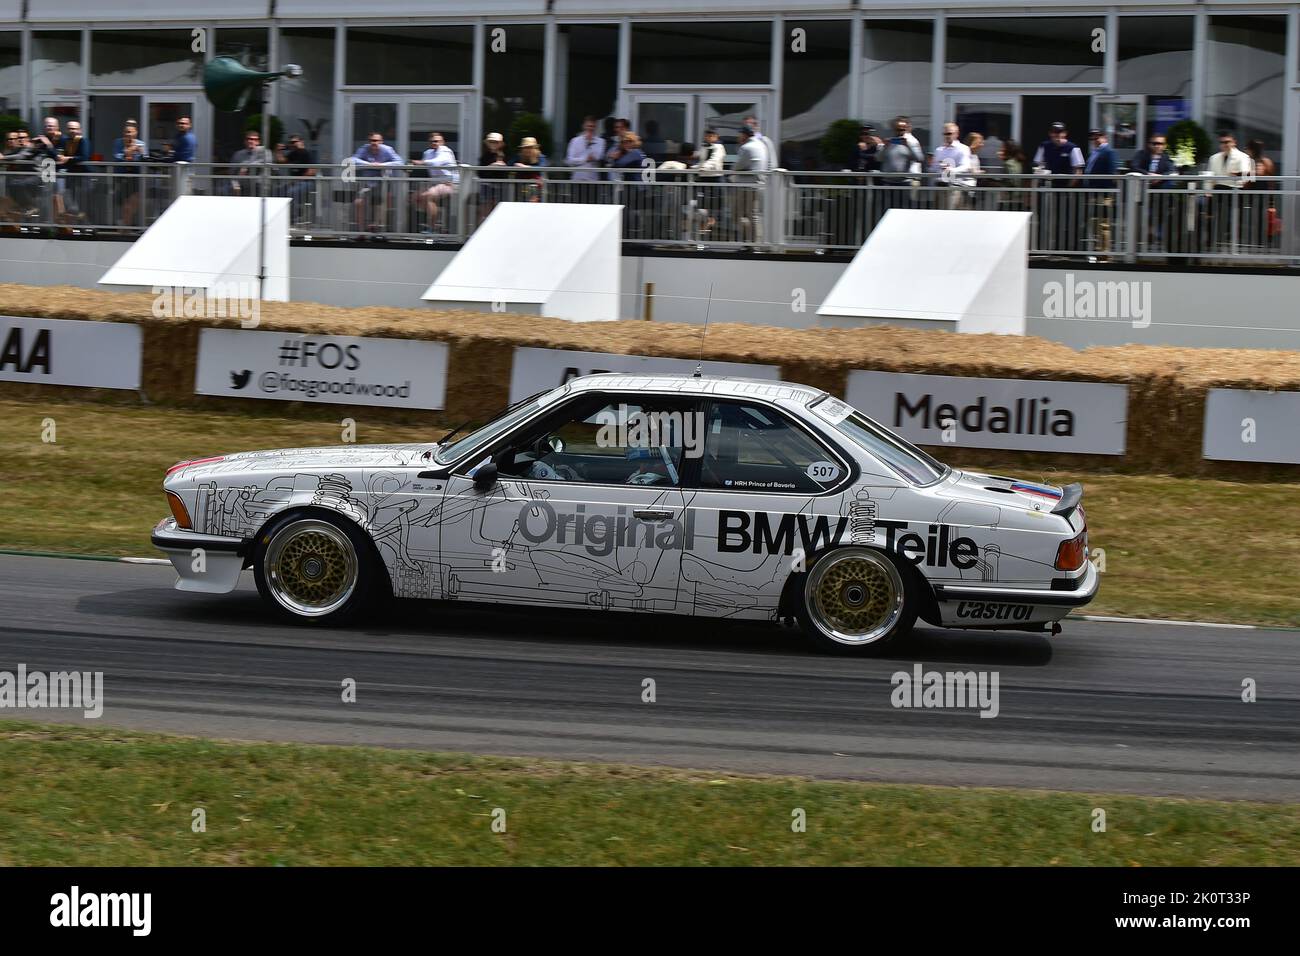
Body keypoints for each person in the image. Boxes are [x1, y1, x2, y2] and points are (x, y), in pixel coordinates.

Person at [350, 132, 403, 233]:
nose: (374, 143)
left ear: (381, 141)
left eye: (376, 141)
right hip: (367, 182)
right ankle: (361, 231)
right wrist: (369, 164)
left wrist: (383, 165)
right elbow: (353, 159)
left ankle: (377, 227)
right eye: (371, 141)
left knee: (380, 203)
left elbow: (399, 161)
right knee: (359, 203)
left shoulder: (387, 149)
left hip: (382, 182)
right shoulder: (364, 148)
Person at [732, 126, 769, 244]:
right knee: (753, 214)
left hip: (745, 185)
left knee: (739, 214)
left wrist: (732, 171)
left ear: (744, 135)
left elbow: (737, 166)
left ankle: (748, 243)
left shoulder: (746, 147)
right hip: (758, 184)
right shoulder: (761, 145)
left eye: (740, 134)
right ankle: (754, 243)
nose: (738, 136)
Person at [418, 131, 458, 232]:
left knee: (428, 196)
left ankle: (432, 227)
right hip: (435, 183)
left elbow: (437, 162)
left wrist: (422, 162)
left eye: (437, 141)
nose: (435, 143)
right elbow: (423, 165)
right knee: (414, 197)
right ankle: (436, 217)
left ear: (442, 142)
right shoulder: (427, 153)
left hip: (449, 183)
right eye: (432, 141)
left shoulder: (445, 151)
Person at [929, 122, 973, 208]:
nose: (947, 136)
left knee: (951, 216)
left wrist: (952, 170)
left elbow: (966, 166)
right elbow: (933, 168)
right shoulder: (939, 150)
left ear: (956, 134)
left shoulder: (963, 148)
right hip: (939, 185)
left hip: (954, 186)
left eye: (949, 133)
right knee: (938, 216)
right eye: (944, 134)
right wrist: (932, 165)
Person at [112, 119, 146, 227]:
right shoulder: (118, 142)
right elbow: (117, 157)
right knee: (125, 204)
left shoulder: (141, 144)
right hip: (122, 176)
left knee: (134, 204)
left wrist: (140, 154)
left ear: (136, 132)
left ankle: (124, 224)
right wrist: (129, 152)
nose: (128, 134)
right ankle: (126, 226)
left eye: (130, 131)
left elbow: (144, 159)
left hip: (136, 176)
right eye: (126, 132)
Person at [564, 116, 606, 199]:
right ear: (584, 126)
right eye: (588, 126)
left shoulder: (600, 141)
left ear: (595, 127)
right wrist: (584, 159)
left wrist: (589, 143)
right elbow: (570, 160)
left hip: (593, 181)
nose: (590, 129)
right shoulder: (575, 141)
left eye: (592, 126)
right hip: (577, 179)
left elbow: (597, 157)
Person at [476, 131, 509, 223]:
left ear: (500, 144)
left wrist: (504, 166)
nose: (493, 144)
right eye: (491, 142)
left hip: (500, 187)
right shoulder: (484, 156)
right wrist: (491, 166)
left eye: (496, 142)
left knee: (498, 210)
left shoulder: (504, 156)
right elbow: (479, 172)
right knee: (484, 211)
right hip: (486, 186)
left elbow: (508, 172)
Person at [229, 130, 269, 196]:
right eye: (248, 139)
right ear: (244, 141)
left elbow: (264, 163)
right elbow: (232, 173)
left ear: (258, 142)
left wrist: (247, 167)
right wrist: (235, 185)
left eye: (255, 139)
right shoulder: (238, 154)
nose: (251, 141)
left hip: (260, 188)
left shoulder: (265, 152)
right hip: (242, 188)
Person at [511, 135, 548, 202]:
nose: (528, 149)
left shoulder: (540, 156)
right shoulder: (518, 156)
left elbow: (543, 166)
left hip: (536, 186)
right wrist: (515, 164)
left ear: (535, 148)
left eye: (530, 147)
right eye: (525, 147)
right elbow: (508, 165)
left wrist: (527, 167)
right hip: (520, 186)